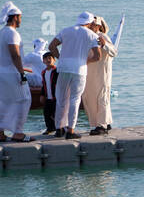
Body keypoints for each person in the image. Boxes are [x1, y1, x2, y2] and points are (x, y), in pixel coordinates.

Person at [47, 11, 102, 139]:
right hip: (79, 70)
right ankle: (71, 130)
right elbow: (98, 56)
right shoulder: (92, 35)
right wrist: (85, 61)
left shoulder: (66, 30)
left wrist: (61, 58)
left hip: (63, 68)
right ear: (89, 23)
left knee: (61, 98)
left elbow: (52, 46)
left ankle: (59, 129)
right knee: (75, 99)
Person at [0, 2, 34, 142]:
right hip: (12, 73)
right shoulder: (12, 33)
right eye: (20, 17)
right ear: (14, 17)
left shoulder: (2, 32)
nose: (21, 20)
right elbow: (15, 54)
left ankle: (1, 132)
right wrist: (21, 73)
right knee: (24, 100)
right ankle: (18, 133)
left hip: (2, 73)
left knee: (4, 102)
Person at [84, 16, 118, 134]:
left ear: (98, 26)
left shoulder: (102, 37)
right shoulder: (86, 37)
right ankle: (104, 122)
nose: (90, 26)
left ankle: (101, 126)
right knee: (91, 98)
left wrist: (105, 45)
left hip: (102, 73)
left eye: (93, 24)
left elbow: (114, 52)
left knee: (101, 98)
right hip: (90, 74)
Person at [40, 51, 58, 134]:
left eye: (50, 58)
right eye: (46, 59)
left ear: (54, 60)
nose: (48, 60)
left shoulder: (57, 71)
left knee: (56, 114)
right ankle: (50, 128)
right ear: (43, 61)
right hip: (48, 97)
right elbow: (44, 84)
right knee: (47, 114)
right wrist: (42, 95)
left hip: (56, 97)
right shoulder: (43, 72)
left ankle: (59, 128)